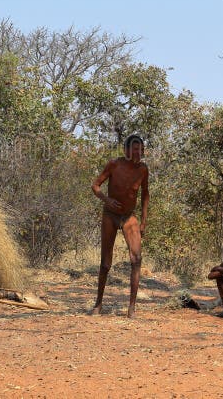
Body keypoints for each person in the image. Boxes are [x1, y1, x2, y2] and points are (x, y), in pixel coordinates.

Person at [89, 135, 149, 318]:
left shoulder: (143, 169)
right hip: (110, 215)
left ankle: (131, 308)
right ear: (126, 150)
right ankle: (98, 304)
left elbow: (145, 194)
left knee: (136, 258)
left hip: (129, 216)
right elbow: (95, 186)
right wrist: (106, 200)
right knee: (106, 263)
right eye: (135, 149)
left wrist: (143, 221)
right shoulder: (114, 164)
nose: (138, 153)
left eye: (141, 150)